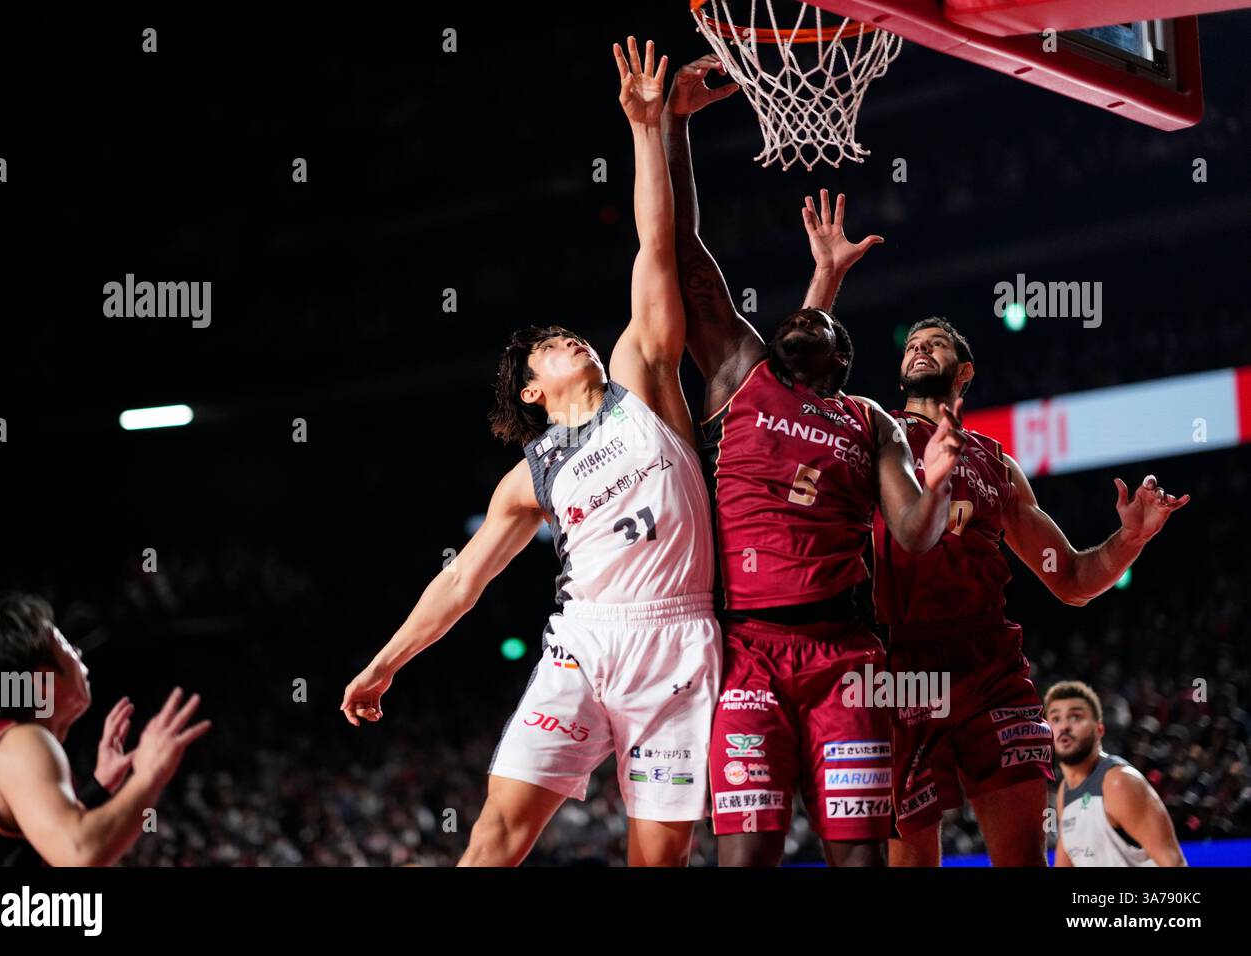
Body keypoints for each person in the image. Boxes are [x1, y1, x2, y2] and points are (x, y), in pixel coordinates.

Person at [341, 38, 721, 867]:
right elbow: (461, 581)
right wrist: (383, 665)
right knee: (495, 834)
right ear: (529, 389)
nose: (570, 340)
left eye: (568, 334)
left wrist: (646, 129)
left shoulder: (642, 380)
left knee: (657, 861)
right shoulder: (531, 477)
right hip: (585, 638)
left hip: (678, 640)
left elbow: (656, 250)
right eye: (550, 345)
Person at [796, 190, 1190, 866]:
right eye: (913, 344)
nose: (921, 349)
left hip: (988, 667)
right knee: (910, 859)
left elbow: (1067, 580)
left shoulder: (996, 465)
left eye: (937, 343)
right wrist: (828, 277)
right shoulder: (869, 427)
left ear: (964, 371)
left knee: (1021, 858)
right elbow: (797, 383)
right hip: (896, 667)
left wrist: (1129, 539)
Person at [663, 56, 964, 867]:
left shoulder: (870, 421)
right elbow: (684, 254)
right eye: (803, 314)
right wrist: (674, 122)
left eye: (823, 321)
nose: (808, 320)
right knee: (747, 854)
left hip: (844, 655)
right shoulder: (742, 379)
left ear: (841, 355)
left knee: (859, 858)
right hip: (748, 650)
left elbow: (913, 533)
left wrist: (934, 488)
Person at [0, 593, 210, 866]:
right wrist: (148, 776)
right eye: (64, 644)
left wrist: (99, 787)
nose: (79, 651)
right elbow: (79, 853)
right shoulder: (19, 742)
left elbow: (26, 856)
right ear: (41, 680)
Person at [1047, 680, 1186, 866]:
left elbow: (1174, 864)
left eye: (1075, 717)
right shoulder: (1065, 792)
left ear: (1099, 729)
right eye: (1056, 719)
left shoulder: (1119, 782)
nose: (1064, 726)